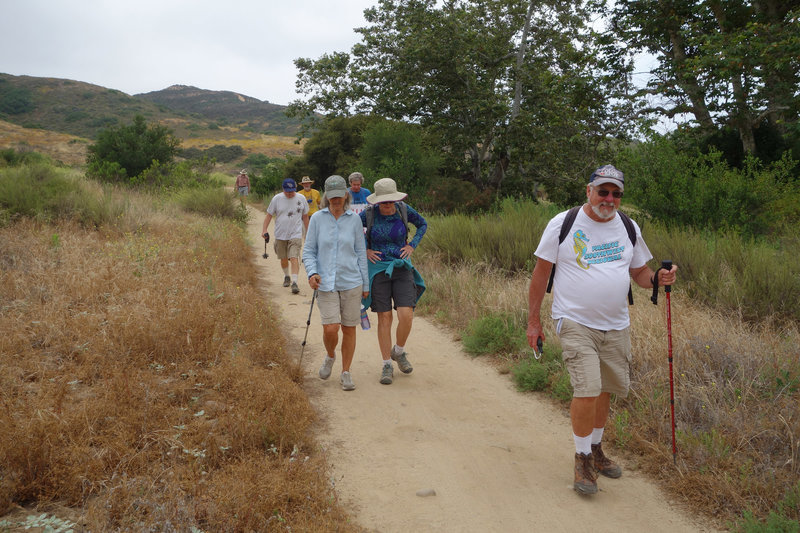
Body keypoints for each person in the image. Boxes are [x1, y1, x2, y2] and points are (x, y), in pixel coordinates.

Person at [526, 164, 678, 496]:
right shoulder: (562, 224)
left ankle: (595, 449)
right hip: (575, 320)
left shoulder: (628, 226)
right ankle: (582, 460)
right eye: (603, 191)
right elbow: (540, 275)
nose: (608, 199)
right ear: (588, 191)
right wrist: (533, 321)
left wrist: (658, 279)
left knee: (606, 389)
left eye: (616, 194)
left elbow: (639, 273)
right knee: (587, 389)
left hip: (616, 324)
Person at [302, 175, 370, 391]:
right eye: (332, 197)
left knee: (349, 328)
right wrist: (312, 273)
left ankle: (346, 372)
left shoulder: (354, 219)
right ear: (326, 197)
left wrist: (366, 284)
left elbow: (360, 252)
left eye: (339, 196)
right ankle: (330, 355)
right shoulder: (317, 219)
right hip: (325, 283)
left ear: (346, 194)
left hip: (352, 282)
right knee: (331, 329)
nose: (336, 200)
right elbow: (309, 250)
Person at [360, 178, 427, 385]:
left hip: (402, 266)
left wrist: (412, 246)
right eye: (383, 202)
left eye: (390, 200)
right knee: (385, 317)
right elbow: (352, 230)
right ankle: (386, 364)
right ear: (376, 201)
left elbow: (422, 224)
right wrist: (366, 249)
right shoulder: (368, 214)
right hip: (378, 269)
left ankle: (398, 351)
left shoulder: (403, 209)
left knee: (406, 314)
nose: (387, 205)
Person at [262, 178, 310, 295]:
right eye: (287, 191)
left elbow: (305, 217)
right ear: (283, 189)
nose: (290, 193)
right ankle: (287, 276)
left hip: (296, 233)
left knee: (294, 257)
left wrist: (308, 233)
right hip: (280, 234)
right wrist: (264, 230)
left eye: (292, 191)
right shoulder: (277, 199)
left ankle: (294, 282)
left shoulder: (301, 198)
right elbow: (269, 215)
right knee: (284, 259)